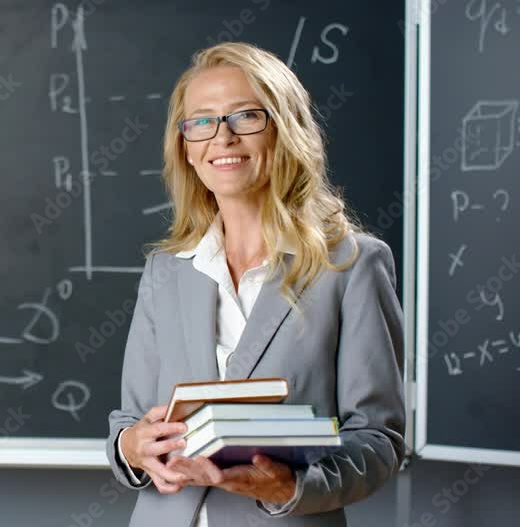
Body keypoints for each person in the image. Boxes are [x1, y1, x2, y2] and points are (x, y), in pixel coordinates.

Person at [105, 42, 405, 526]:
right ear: (185, 146)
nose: (221, 138)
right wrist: (131, 446)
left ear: (285, 130)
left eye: (245, 116)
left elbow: (378, 440)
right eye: (201, 121)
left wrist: (293, 487)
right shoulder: (168, 269)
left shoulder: (352, 266)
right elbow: (131, 422)